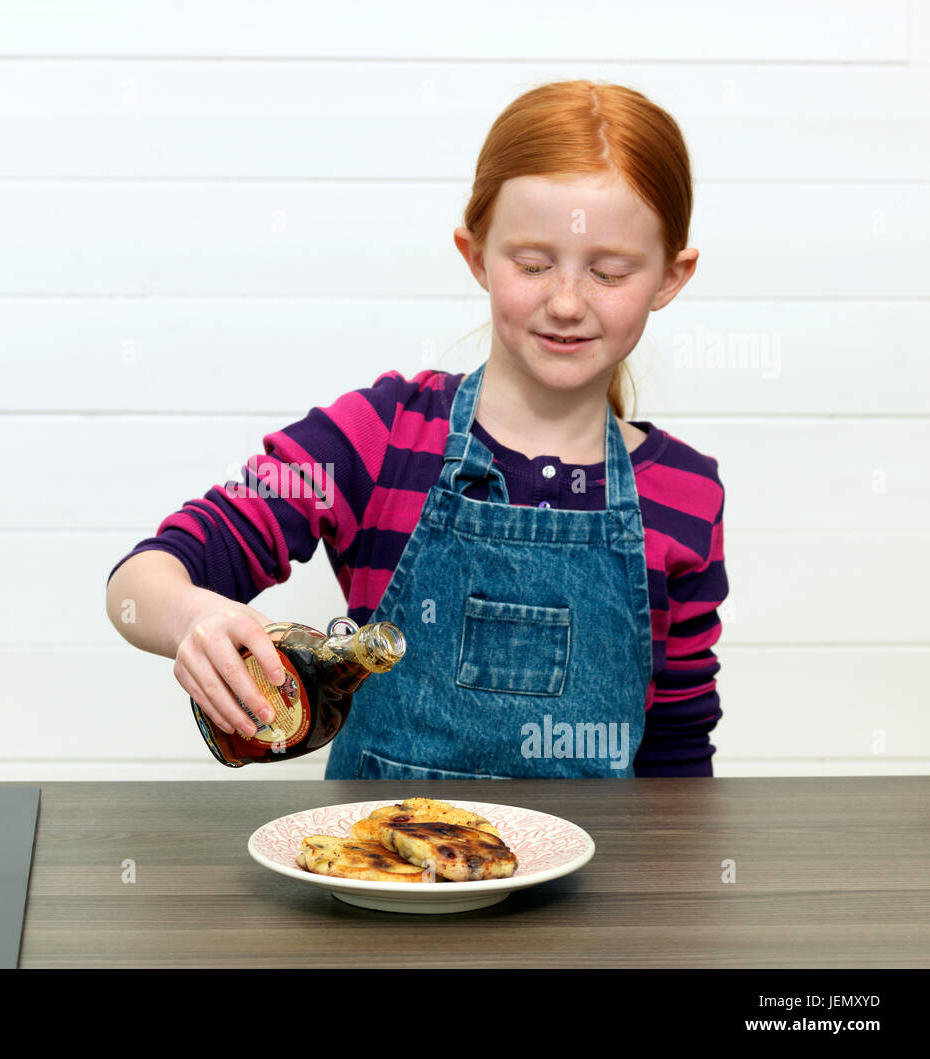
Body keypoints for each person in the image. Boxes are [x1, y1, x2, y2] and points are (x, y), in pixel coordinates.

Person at [105, 79, 727, 778]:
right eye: (531, 264)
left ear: (672, 277)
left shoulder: (683, 493)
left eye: (609, 272)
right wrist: (191, 616)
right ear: (475, 254)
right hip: (383, 878)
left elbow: (678, 754)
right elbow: (140, 580)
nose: (565, 301)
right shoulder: (379, 438)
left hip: (591, 886)